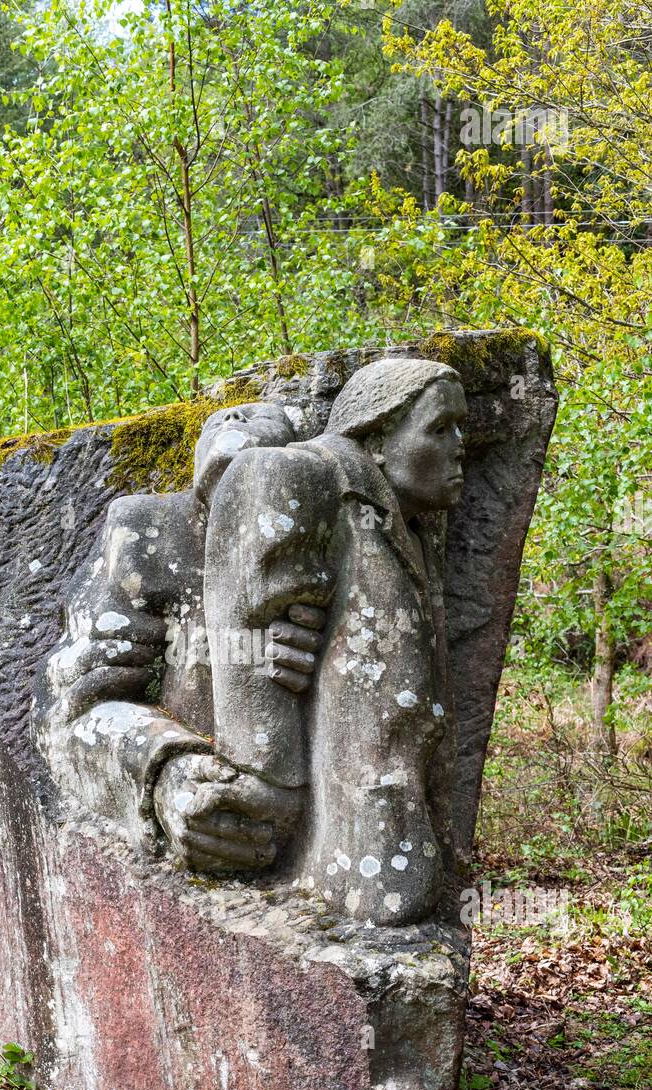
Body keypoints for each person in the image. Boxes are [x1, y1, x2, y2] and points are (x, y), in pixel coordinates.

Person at [35, 356, 467, 926]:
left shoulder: (399, 530)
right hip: (229, 844)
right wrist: (166, 774)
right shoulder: (145, 533)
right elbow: (68, 714)